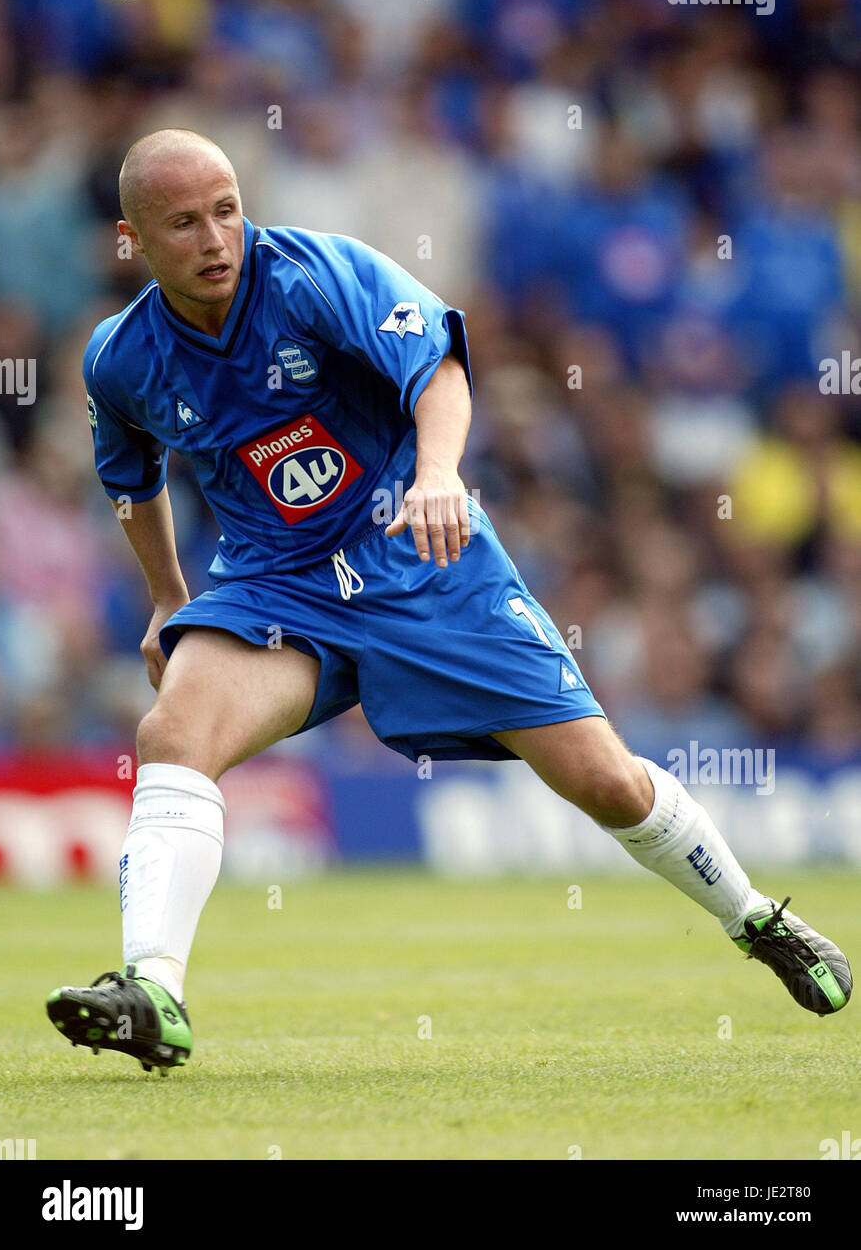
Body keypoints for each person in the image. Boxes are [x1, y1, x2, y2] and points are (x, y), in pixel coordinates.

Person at [46, 129, 850, 1076]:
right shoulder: (121, 356)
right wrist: (167, 601)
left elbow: (439, 369)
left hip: (424, 564)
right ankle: (153, 992)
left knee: (606, 783)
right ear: (133, 239)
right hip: (278, 589)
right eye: (184, 223)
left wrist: (435, 473)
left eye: (226, 208)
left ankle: (752, 916)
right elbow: (130, 477)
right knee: (173, 734)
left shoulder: (315, 275)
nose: (216, 237)